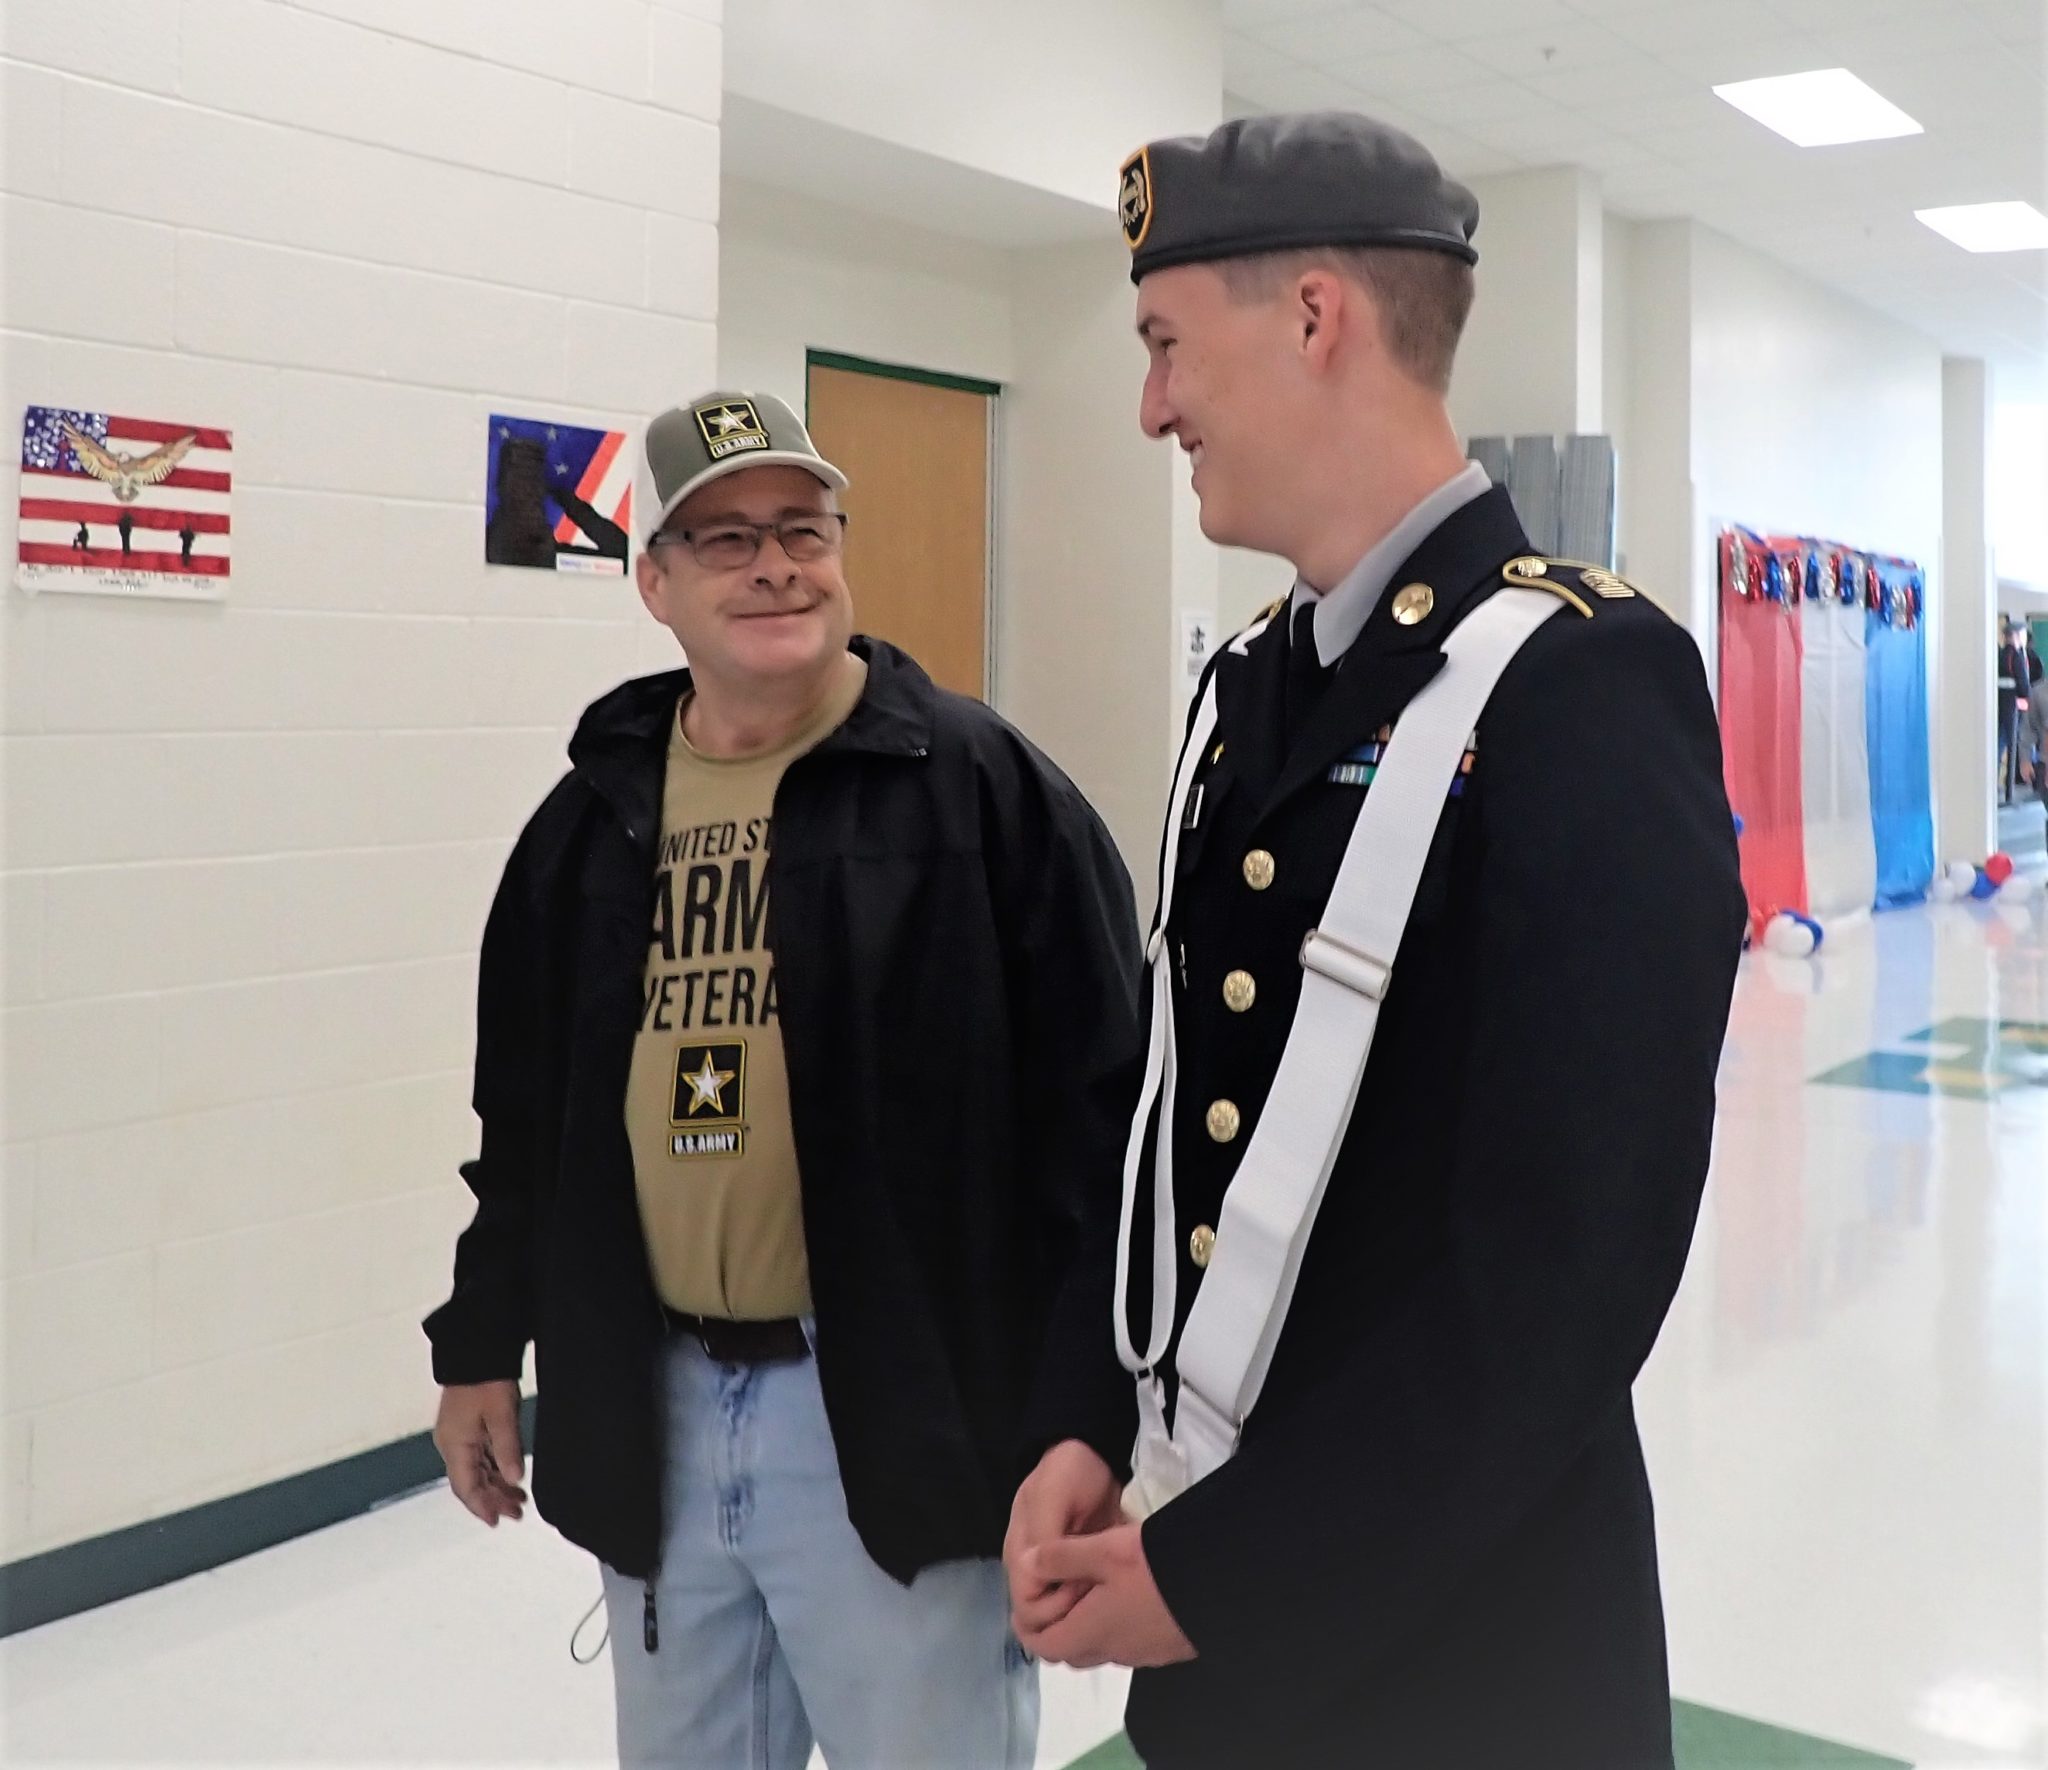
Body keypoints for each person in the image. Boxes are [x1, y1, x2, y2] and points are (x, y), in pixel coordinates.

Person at [1008, 113, 1748, 1770]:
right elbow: (1166, 1113)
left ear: (1313, 317)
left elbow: (1562, 1270)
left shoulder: (1579, 686)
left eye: (1163, 344)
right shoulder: (1252, 687)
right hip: (1227, 1643)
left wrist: (1223, 1575)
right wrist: (1082, 1409)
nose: (1149, 406)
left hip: (1466, 1661)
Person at [427, 389, 1141, 1769]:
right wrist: (478, 1341)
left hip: (894, 1407)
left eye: (802, 530)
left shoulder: (981, 792)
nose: (774, 567)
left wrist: (1086, 1412)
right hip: (655, 1401)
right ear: (656, 584)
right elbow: (523, 1122)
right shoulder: (591, 822)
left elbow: (1107, 1125)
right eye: (726, 540)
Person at [1997, 615, 2022, 804]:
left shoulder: (1999, 654)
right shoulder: (2016, 655)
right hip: (2013, 704)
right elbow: (2023, 684)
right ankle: (2009, 792)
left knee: (1998, 746)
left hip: (1998, 702)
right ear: (2015, 636)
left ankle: (1993, 786)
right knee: (2013, 746)